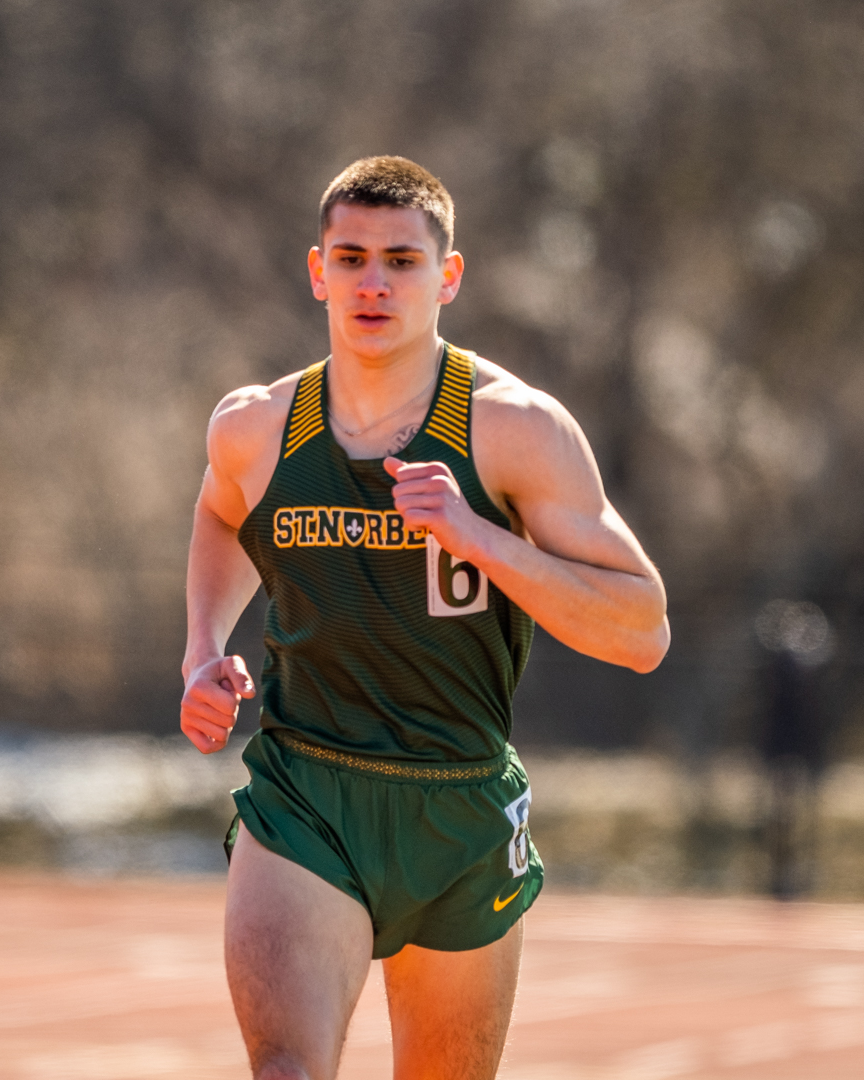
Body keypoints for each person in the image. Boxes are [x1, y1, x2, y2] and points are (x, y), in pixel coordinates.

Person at [179, 156, 669, 1080]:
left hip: (459, 804)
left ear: (447, 277)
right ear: (317, 269)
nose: (374, 282)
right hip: (306, 792)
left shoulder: (516, 428)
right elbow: (220, 510)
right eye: (352, 257)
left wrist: (485, 539)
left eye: (402, 261)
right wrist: (203, 650)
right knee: (286, 1068)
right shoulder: (256, 424)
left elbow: (642, 630)